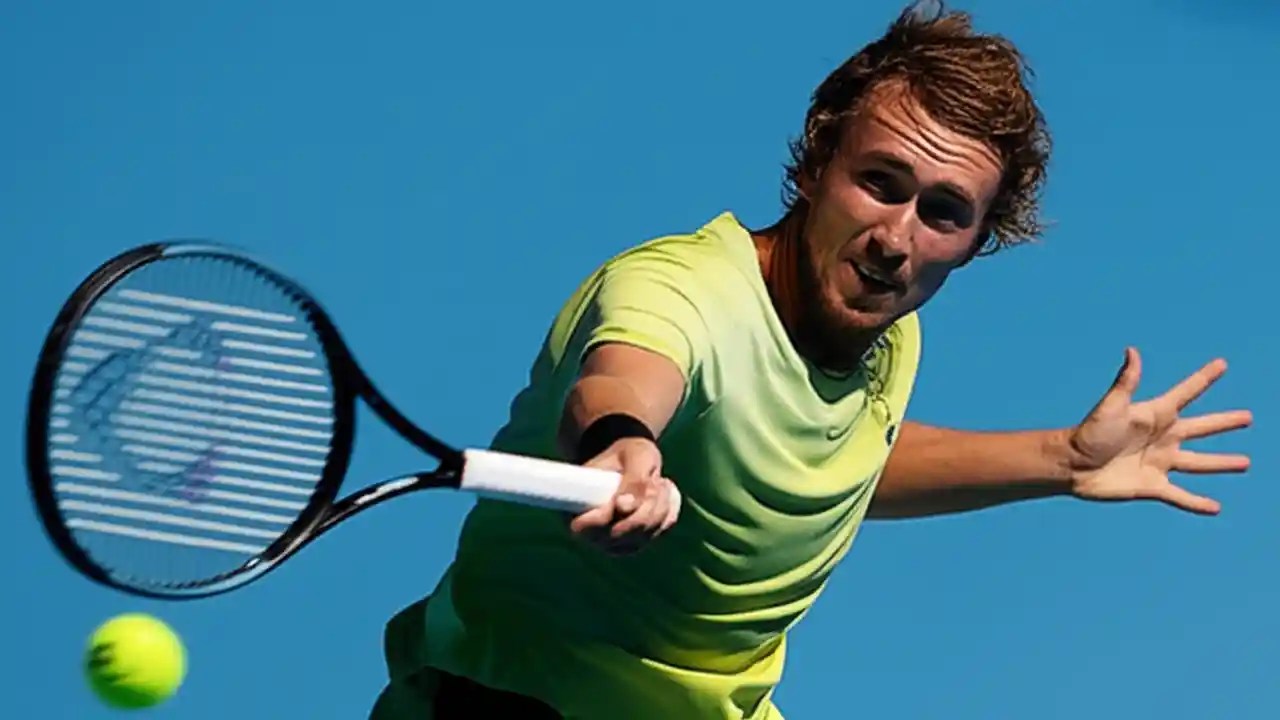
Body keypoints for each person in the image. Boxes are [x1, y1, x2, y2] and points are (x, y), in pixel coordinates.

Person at [371, 3, 1252, 718]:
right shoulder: (682, 289)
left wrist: (1059, 460)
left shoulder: (887, 331)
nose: (896, 238)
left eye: (944, 212)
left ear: (979, 240)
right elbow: (626, 370)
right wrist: (622, 442)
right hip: (513, 705)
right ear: (815, 161)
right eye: (881, 183)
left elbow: (837, 459)